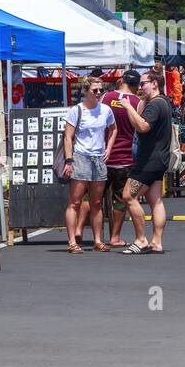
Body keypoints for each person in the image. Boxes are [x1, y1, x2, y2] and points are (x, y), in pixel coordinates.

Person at [116, 70, 171, 254]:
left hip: (149, 160)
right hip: (160, 158)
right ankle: (157, 242)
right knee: (155, 200)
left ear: (155, 83)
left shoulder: (155, 105)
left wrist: (128, 106)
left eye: (144, 83)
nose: (140, 87)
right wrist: (138, 105)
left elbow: (143, 126)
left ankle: (141, 240)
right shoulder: (163, 101)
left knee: (128, 196)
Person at [61, 76, 117, 253]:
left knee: (96, 202)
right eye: (95, 90)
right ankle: (72, 241)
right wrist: (69, 161)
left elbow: (113, 129)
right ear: (86, 91)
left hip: (98, 158)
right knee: (75, 202)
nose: (99, 93)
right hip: (81, 157)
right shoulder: (77, 110)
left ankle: (98, 241)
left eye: (101, 89)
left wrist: (109, 148)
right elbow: (67, 136)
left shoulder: (106, 110)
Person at [102, 69, 144, 247]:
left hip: (104, 155)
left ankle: (82, 233)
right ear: (136, 85)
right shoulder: (137, 102)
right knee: (120, 199)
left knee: (93, 198)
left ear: (122, 80)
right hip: (125, 157)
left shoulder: (105, 97)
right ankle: (115, 237)